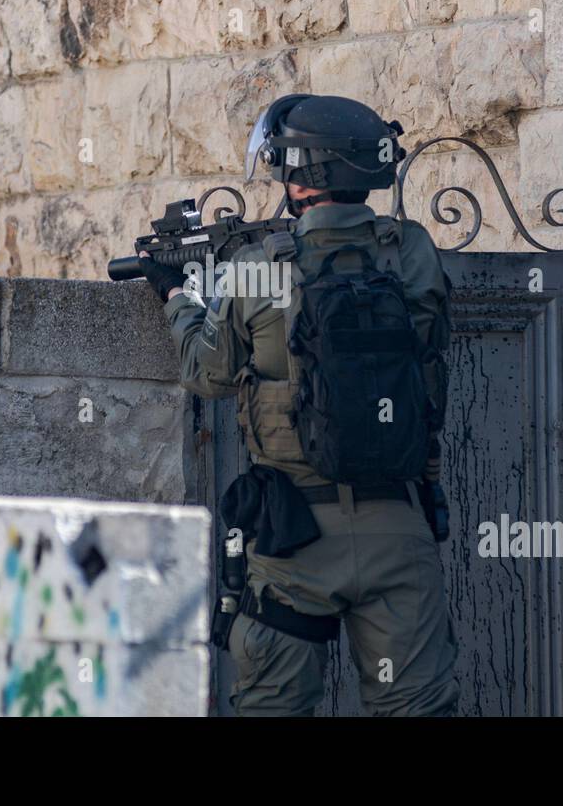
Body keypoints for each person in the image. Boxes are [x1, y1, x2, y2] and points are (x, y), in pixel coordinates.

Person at [139, 94, 458, 716]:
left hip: (294, 539)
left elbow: (207, 372)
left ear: (299, 175)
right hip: (400, 525)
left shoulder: (258, 268)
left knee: (275, 708)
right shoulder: (411, 251)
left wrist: (178, 295)